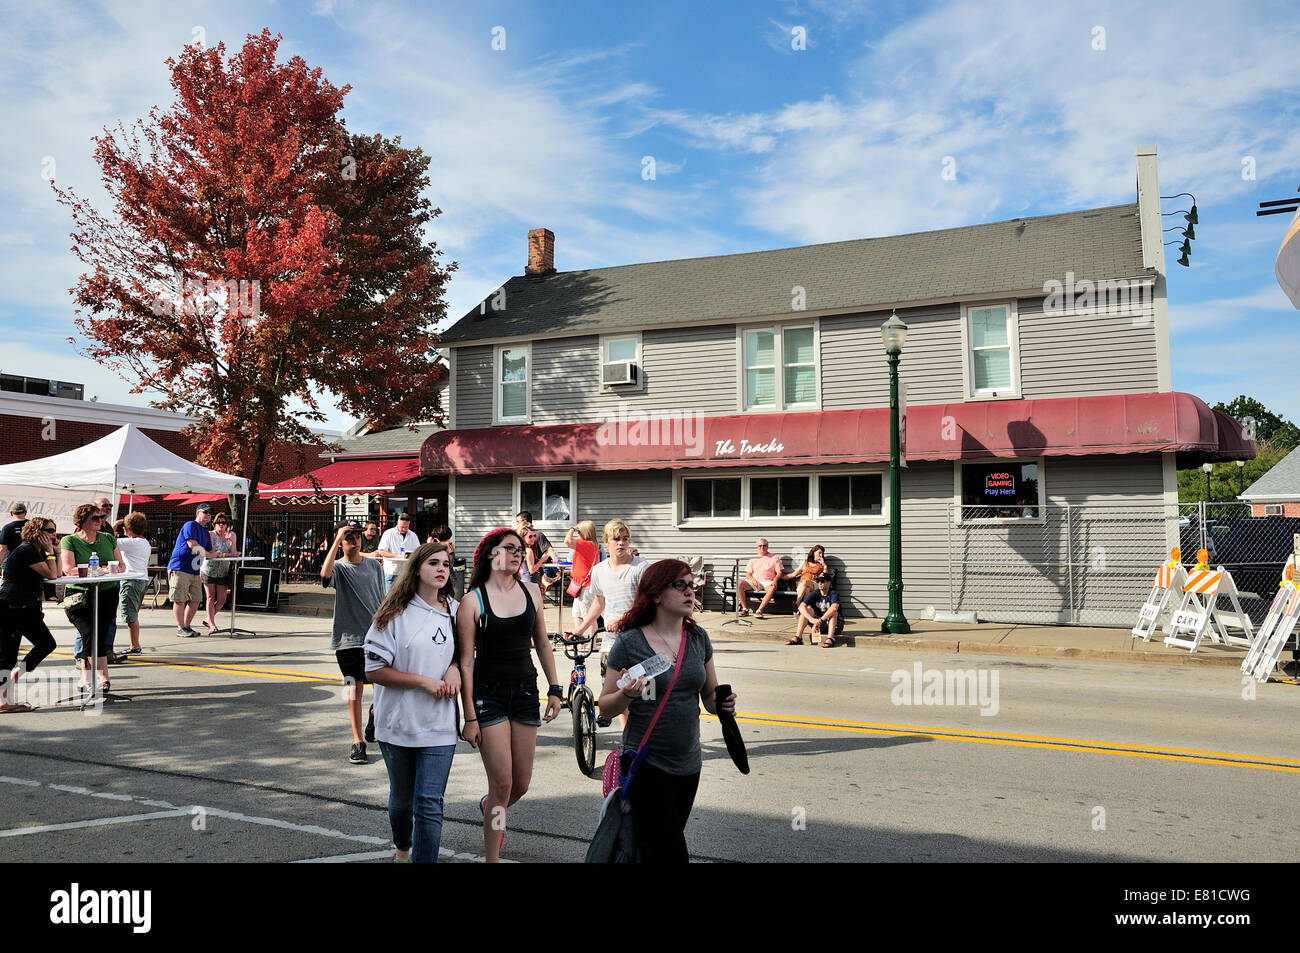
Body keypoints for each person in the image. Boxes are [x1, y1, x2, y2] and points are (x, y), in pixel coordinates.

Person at [597, 558, 737, 863]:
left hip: (689, 765)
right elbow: (605, 706)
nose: (690, 592)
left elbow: (709, 698)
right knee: (671, 853)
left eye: (692, 585)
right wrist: (625, 694)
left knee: (655, 850)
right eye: (680, 585)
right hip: (647, 763)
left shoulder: (698, 639)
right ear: (657, 594)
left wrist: (722, 704)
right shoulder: (630, 642)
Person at [455, 527, 561, 863]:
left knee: (521, 785)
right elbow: (466, 662)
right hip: (489, 697)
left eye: (519, 549)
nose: (517, 553)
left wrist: (555, 689)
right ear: (490, 554)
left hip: (526, 692)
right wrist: (469, 715)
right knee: (502, 784)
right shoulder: (472, 601)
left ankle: (490, 809)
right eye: (509, 548)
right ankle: (492, 858)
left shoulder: (532, 591)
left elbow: (542, 643)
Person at [364, 542, 461, 863]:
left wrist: (454, 669)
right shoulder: (394, 613)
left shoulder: (457, 611)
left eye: (446, 564)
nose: (441, 570)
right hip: (398, 723)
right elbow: (374, 670)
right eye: (433, 563)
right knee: (403, 802)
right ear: (417, 568)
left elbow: (465, 655)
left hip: (440, 725)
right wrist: (424, 682)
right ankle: (402, 847)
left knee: (430, 803)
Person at [322, 521, 386, 764]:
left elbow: (382, 597)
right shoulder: (338, 567)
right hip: (348, 641)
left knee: (383, 687)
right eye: (349, 537)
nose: (354, 540)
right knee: (353, 688)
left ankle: (373, 716)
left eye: (356, 536)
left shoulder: (374, 565)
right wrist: (337, 540)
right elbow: (324, 577)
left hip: (376, 639)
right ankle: (358, 741)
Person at [60, 503, 124, 693]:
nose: (100, 521)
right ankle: (87, 677)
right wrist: (98, 570)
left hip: (107, 592)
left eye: (102, 518)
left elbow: (121, 565)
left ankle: (102, 678)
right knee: (89, 633)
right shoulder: (70, 540)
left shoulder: (107, 538)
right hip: (79, 594)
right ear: (82, 521)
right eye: (95, 518)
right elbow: (68, 569)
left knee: (101, 634)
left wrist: (114, 569)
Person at [0, 519, 61, 712]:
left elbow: (57, 574)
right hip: (12, 607)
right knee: (7, 657)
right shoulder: (26, 550)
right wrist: (51, 552)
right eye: (50, 530)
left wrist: (56, 552)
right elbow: (52, 575)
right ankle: (4, 701)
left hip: (24, 608)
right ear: (37, 532)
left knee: (45, 644)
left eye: (55, 531)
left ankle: (9, 688)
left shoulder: (35, 550)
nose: (54, 534)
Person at [167, 503, 214, 638]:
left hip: (194, 570)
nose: (207, 516)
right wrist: (210, 554)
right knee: (179, 599)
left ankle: (186, 626)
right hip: (180, 567)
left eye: (209, 513)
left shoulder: (206, 533)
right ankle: (180, 627)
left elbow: (211, 551)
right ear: (197, 513)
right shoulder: (190, 525)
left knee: (196, 599)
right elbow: (193, 545)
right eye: (205, 512)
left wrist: (226, 555)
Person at [115, 512, 152, 656]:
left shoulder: (131, 542)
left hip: (131, 581)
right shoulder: (144, 542)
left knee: (130, 615)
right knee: (133, 614)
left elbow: (108, 541)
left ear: (129, 527)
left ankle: (135, 646)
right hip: (141, 579)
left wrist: (114, 525)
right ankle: (134, 645)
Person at [200, 513, 241, 633]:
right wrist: (228, 554)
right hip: (209, 569)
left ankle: (209, 618)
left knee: (222, 599)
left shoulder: (232, 535)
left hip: (223, 570)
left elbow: (234, 552)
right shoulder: (211, 535)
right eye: (219, 523)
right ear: (214, 524)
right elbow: (214, 552)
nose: (221, 525)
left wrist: (230, 542)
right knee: (210, 597)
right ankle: (212, 625)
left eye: (224, 523)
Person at [737, 538, 790, 619]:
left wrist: (775, 580)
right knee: (740, 583)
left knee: (772, 588)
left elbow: (779, 572)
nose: (762, 547)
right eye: (760, 546)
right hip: (755, 581)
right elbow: (748, 573)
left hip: (767, 582)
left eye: (764, 545)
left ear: (767, 546)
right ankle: (745, 609)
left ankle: (759, 611)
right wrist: (753, 580)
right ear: (757, 547)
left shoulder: (774, 557)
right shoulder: (753, 558)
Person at [563, 520, 602, 632]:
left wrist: (572, 529)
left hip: (585, 585)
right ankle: (579, 641)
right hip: (580, 584)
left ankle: (592, 644)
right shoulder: (591, 545)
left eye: (579, 532)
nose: (578, 534)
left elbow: (567, 541)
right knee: (577, 613)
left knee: (587, 615)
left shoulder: (587, 544)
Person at [792, 573, 844, 647]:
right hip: (818, 625)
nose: (820, 583)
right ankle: (798, 637)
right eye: (818, 581)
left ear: (829, 583)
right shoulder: (815, 593)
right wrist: (811, 619)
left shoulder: (833, 593)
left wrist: (821, 620)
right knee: (807, 609)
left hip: (835, 626)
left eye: (822, 581)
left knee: (833, 612)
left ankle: (830, 638)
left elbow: (834, 608)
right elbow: (801, 606)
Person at [376, 513, 421, 591]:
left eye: (406, 527)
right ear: (397, 523)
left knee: (405, 598)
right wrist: (399, 556)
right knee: (389, 597)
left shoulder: (413, 535)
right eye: (402, 527)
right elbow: (382, 551)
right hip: (391, 571)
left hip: (406, 572)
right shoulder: (388, 533)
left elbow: (418, 552)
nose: (404, 529)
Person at [521, 524, 559, 600]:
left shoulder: (525, 549)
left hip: (529, 581)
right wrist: (542, 559)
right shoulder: (529, 550)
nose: (533, 538)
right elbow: (531, 570)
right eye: (530, 536)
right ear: (523, 538)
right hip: (530, 582)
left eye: (534, 536)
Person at [0, 501, 28, 570]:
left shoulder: (7, 528)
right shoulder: (33, 526)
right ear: (25, 512)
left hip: (11, 565)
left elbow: (2, 549)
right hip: (32, 565)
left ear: (11, 513)